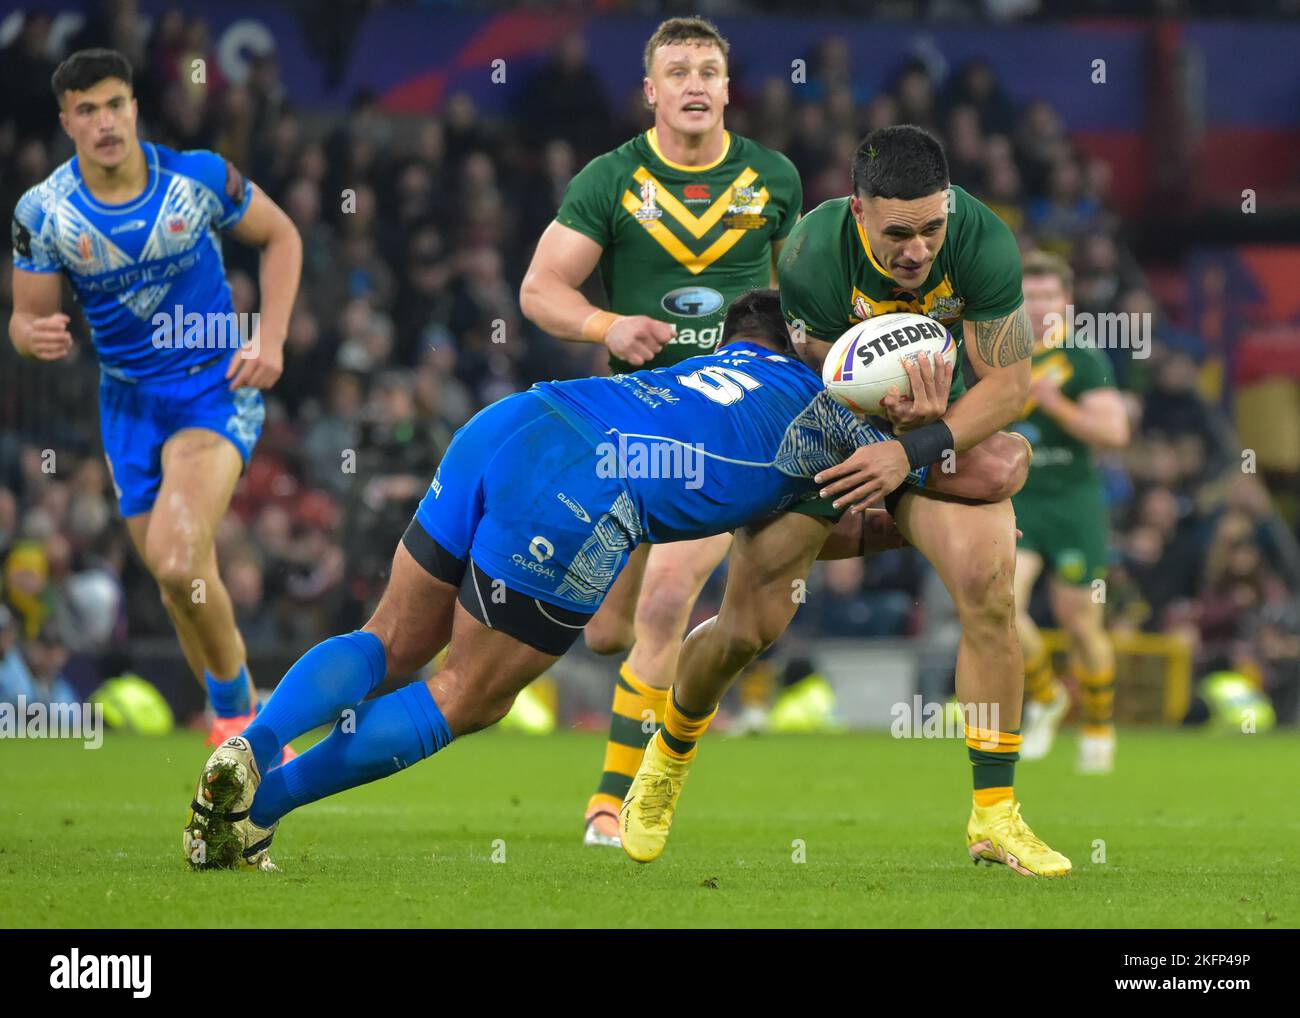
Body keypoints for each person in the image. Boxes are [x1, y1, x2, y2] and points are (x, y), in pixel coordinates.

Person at [181, 289, 1025, 872]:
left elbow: (784, 509)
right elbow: (993, 472)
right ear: (810, 344)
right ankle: (260, 814)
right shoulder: (827, 413)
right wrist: (922, 425)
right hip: (585, 483)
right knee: (466, 694)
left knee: (389, 640)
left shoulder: (709, 372)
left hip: (516, 418)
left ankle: (248, 747)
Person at [620, 125, 1075, 878]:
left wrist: (917, 446)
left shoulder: (985, 240)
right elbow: (826, 391)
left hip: (930, 433)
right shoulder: (811, 253)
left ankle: (996, 816)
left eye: (932, 228)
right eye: (899, 233)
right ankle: (666, 759)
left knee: (990, 589)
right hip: (827, 428)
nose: (919, 250)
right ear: (859, 213)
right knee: (744, 630)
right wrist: (892, 449)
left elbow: (1011, 387)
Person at [519, 16, 804, 847]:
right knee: (607, 630)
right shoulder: (611, 180)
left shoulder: (773, 177)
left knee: (671, 600)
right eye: (676, 70)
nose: (693, 84)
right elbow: (539, 291)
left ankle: (614, 802)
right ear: (649, 91)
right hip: (637, 425)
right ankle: (631, 730)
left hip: (734, 425)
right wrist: (606, 325)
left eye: (708, 71)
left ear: (726, 87)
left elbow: (812, 298)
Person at [8, 49, 302, 752]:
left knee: (176, 559)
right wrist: (32, 335)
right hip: (129, 409)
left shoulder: (195, 178)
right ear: (66, 122)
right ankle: (231, 720)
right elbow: (25, 317)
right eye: (87, 110)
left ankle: (243, 722)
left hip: (211, 392)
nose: (104, 122)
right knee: (179, 586)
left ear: (135, 107)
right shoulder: (43, 212)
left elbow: (282, 235)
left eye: (115, 104)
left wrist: (272, 337)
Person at [1011, 252, 1130, 772]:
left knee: (1079, 621)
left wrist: (1054, 403)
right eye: (1029, 296)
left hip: (1074, 501)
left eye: (1047, 296)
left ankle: (1099, 729)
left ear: (1067, 303)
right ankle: (1046, 696)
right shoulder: (999, 355)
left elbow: (1114, 434)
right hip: (1019, 497)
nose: (1038, 306)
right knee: (1000, 605)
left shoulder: (1084, 359)